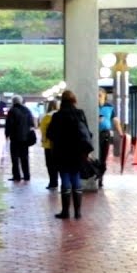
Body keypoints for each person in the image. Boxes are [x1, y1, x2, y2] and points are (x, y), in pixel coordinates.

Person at [45, 90, 96, 219]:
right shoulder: (80, 114)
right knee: (76, 177)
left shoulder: (57, 115)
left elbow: (50, 134)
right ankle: (78, 212)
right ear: (74, 100)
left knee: (65, 178)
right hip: (77, 152)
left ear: (62, 100)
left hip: (62, 152)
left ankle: (66, 212)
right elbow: (87, 133)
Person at [4, 95, 35, 182]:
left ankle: (16, 176)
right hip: (25, 139)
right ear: (21, 101)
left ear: (13, 102)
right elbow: (32, 124)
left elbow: (9, 125)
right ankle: (26, 176)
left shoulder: (12, 111)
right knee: (24, 157)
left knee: (15, 158)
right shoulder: (27, 110)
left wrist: (7, 135)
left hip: (15, 138)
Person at [95, 88, 122, 186]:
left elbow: (115, 120)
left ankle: (100, 176)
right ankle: (96, 174)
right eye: (97, 94)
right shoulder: (93, 105)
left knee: (103, 156)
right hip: (94, 134)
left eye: (100, 94)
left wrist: (120, 132)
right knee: (95, 156)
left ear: (105, 95)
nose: (99, 95)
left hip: (104, 134)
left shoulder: (109, 106)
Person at [38, 99, 59, 189]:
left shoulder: (46, 117)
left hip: (48, 144)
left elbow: (43, 130)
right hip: (60, 144)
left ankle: (53, 182)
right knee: (59, 163)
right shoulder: (60, 115)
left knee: (50, 164)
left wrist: (43, 139)